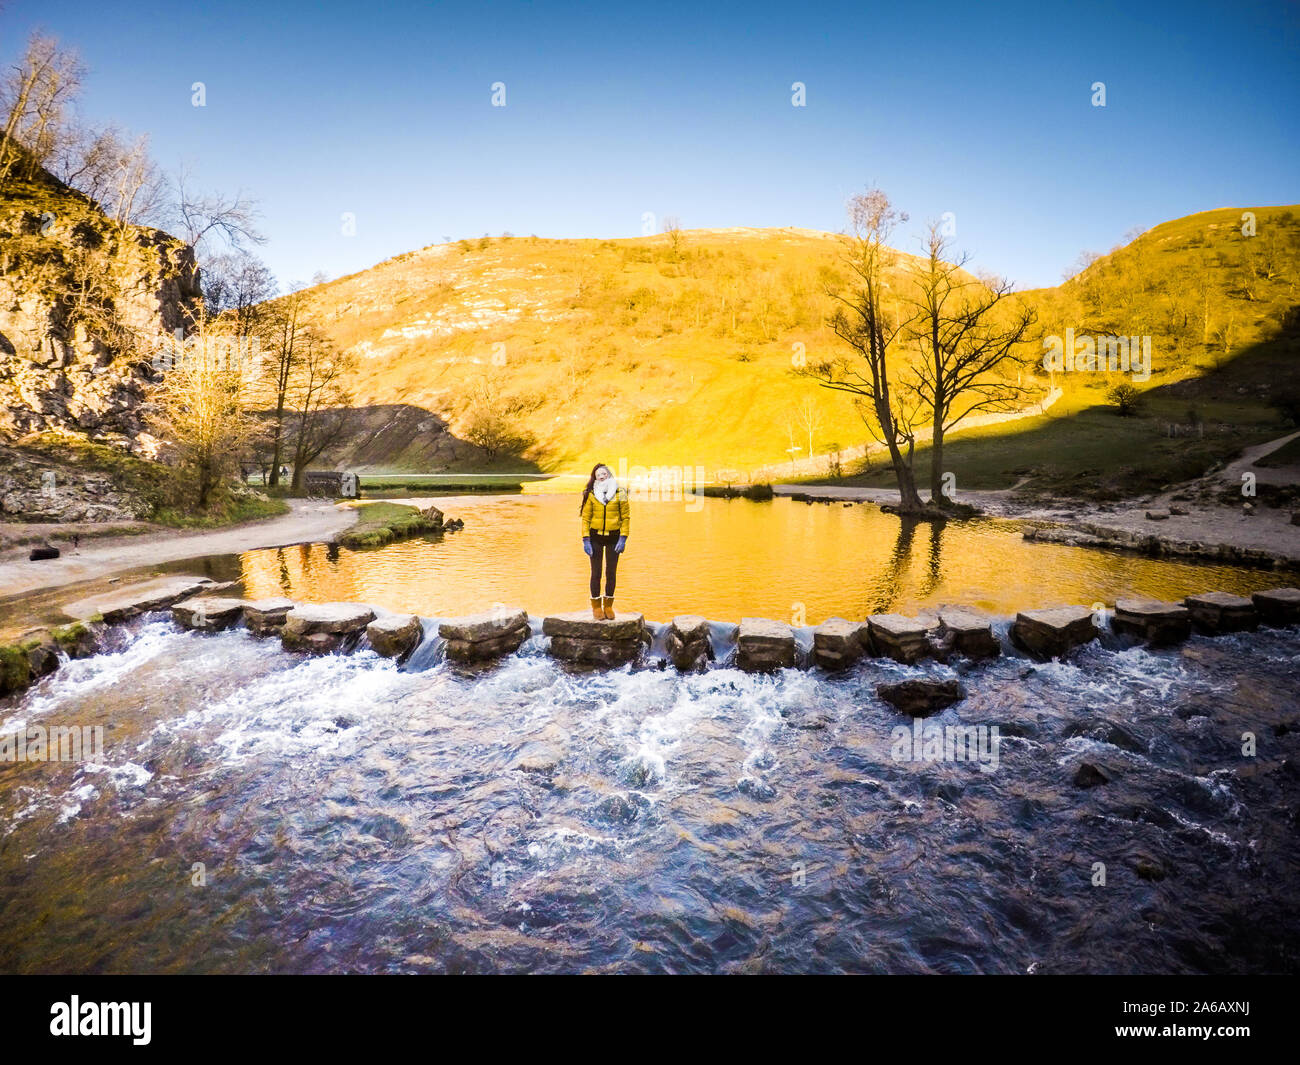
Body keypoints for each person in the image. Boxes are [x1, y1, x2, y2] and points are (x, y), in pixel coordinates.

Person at [578, 463, 630, 620]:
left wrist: (623, 537)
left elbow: (626, 517)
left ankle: (608, 606)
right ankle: (596, 607)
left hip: (614, 538)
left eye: (604, 473)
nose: (601, 476)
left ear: (609, 475)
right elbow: (586, 518)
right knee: (596, 573)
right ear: (595, 477)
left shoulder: (621, 492)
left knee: (611, 572)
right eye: (598, 474)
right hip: (595, 538)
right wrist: (586, 539)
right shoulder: (592, 494)